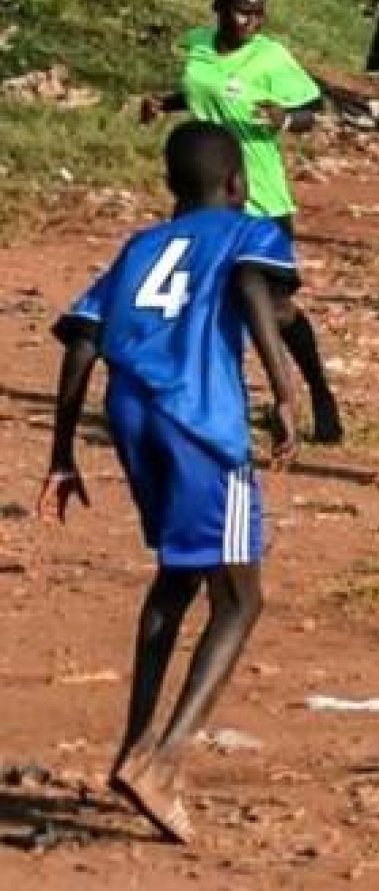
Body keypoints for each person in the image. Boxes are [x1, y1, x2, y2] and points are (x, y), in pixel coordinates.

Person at [37, 121, 299, 846]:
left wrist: (62, 453)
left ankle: (133, 746)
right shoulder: (247, 232)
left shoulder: (140, 245)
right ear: (239, 183)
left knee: (177, 579)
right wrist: (284, 390)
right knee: (241, 599)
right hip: (201, 422)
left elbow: (84, 339)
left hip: (130, 415)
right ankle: (165, 759)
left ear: (168, 185)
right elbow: (252, 287)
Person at [138, 0, 341, 444]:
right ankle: (188, 401)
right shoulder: (198, 45)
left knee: (274, 304)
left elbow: (315, 107)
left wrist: (286, 119)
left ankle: (317, 391)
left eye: (258, 12)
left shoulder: (271, 57)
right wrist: (163, 105)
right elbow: (199, 91)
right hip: (202, 195)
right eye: (241, 10)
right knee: (192, 298)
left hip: (259, 197)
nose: (250, 20)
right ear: (219, 8)